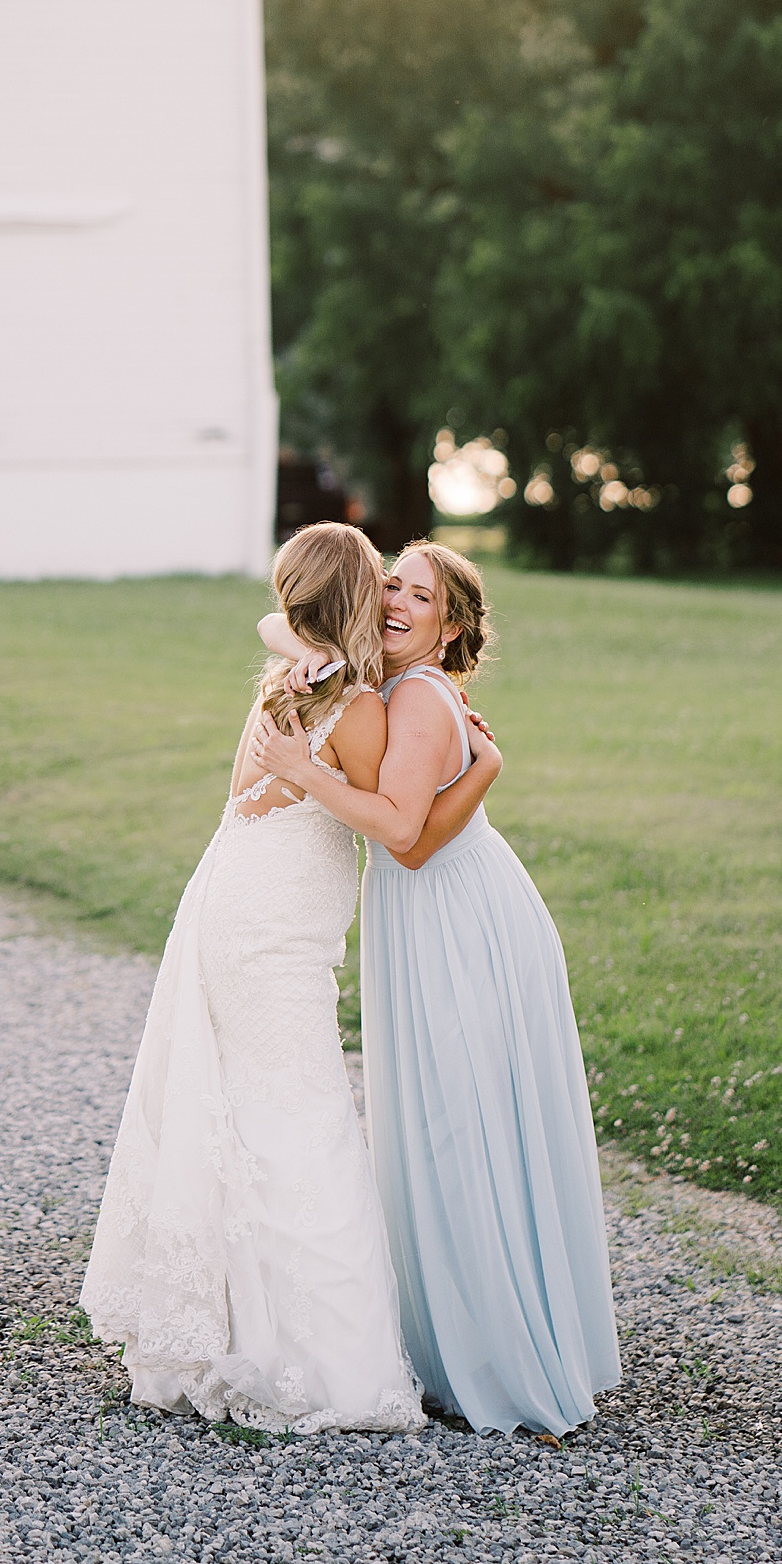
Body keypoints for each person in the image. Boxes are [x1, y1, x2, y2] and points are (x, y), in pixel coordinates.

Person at [80, 521, 500, 1433]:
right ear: (355, 600)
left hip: (234, 899)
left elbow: (281, 636)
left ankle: (236, 1329)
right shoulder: (356, 705)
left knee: (247, 1107)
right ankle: (331, 1367)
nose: (393, 598)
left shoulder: (292, 678)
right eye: (381, 585)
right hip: (271, 927)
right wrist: (484, 765)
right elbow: (400, 826)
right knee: (303, 1114)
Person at [250, 540, 620, 1436]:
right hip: (428, 917)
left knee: (463, 1131)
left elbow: (407, 839)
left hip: (457, 918)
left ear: (451, 626)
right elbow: (281, 622)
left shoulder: (416, 695)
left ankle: (510, 1370)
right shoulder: (384, 675)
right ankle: (457, 1346)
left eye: (422, 595)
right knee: (435, 1129)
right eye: (390, 586)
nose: (398, 601)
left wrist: (303, 773)